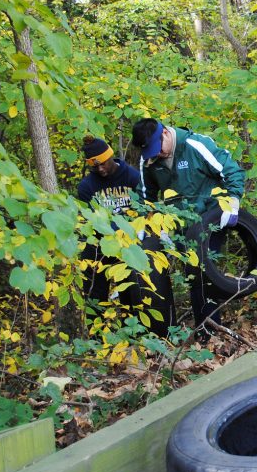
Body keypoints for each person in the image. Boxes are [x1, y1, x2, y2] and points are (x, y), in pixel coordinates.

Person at [131, 118, 246, 335]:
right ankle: (203, 331)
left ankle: (210, 332)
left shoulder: (195, 145)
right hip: (182, 226)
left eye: (158, 148)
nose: (157, 154)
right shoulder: (149, 160)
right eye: (151, 152)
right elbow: (146, 197)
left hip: (211, 217)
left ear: (165, 133)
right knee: (192, 275)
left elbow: (230, 170)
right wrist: (149, 223)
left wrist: (232, 200)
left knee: (202, 270)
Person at [77, 135, 173, 336]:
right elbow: (90, 220)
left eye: (103, 163)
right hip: (103, 242)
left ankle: (138, 333)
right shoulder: (86, 187)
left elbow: (146, 207)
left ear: (110, 157)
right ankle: (97, 336)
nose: (100, 169)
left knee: (133, 287)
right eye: (95, 167)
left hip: (131, 242)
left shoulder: (132, 177)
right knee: (94, 289)